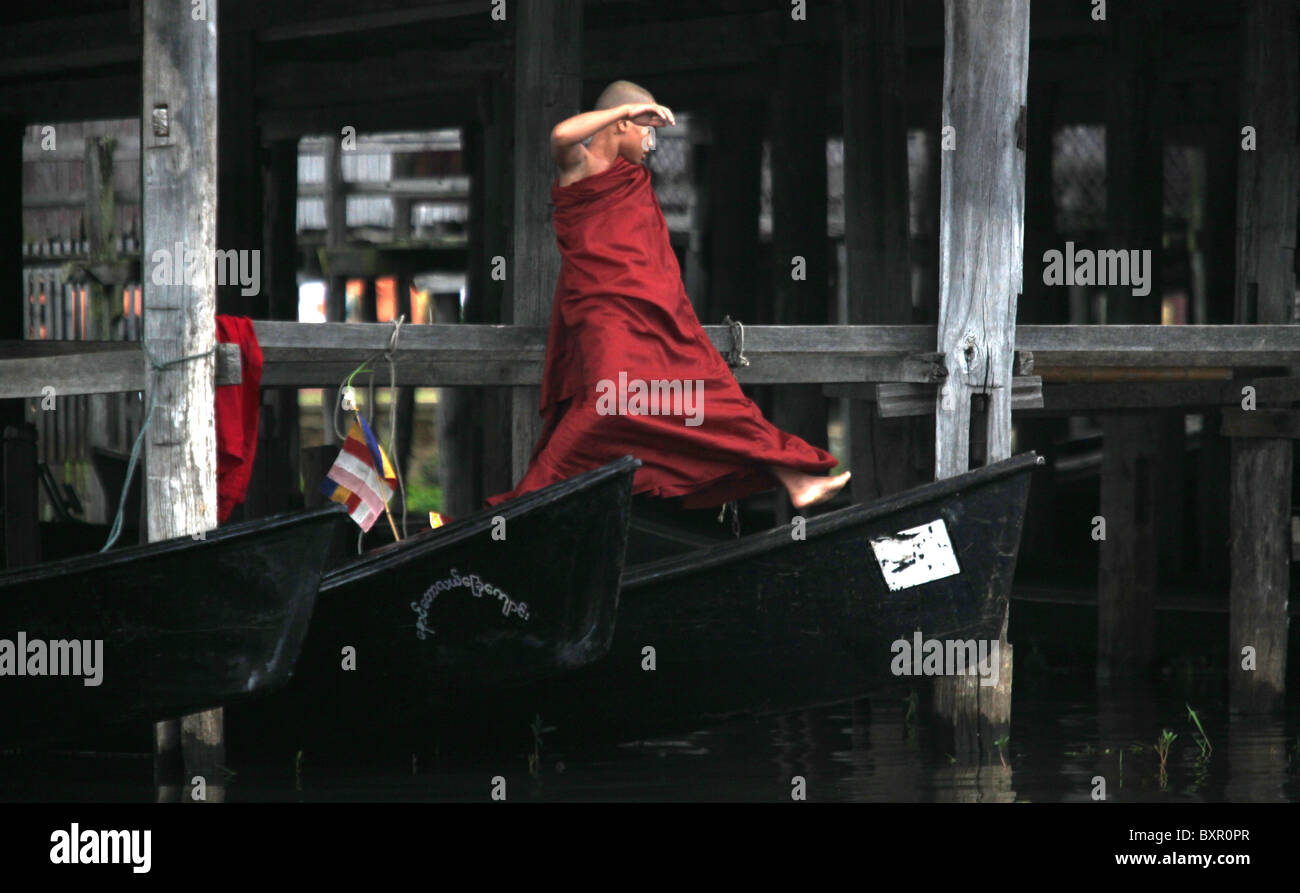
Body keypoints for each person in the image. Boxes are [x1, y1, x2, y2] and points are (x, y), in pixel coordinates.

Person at [486, 80, 851, 511]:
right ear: (622, 123)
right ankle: (524, 505)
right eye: (646, 130)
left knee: (709, 399)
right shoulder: (582, 167)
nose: (652, 142)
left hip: (658, 319)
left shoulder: (633, 181)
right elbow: (562, 135)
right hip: (605, 317)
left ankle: (794, 478)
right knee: (608, 404)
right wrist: (628, 111)